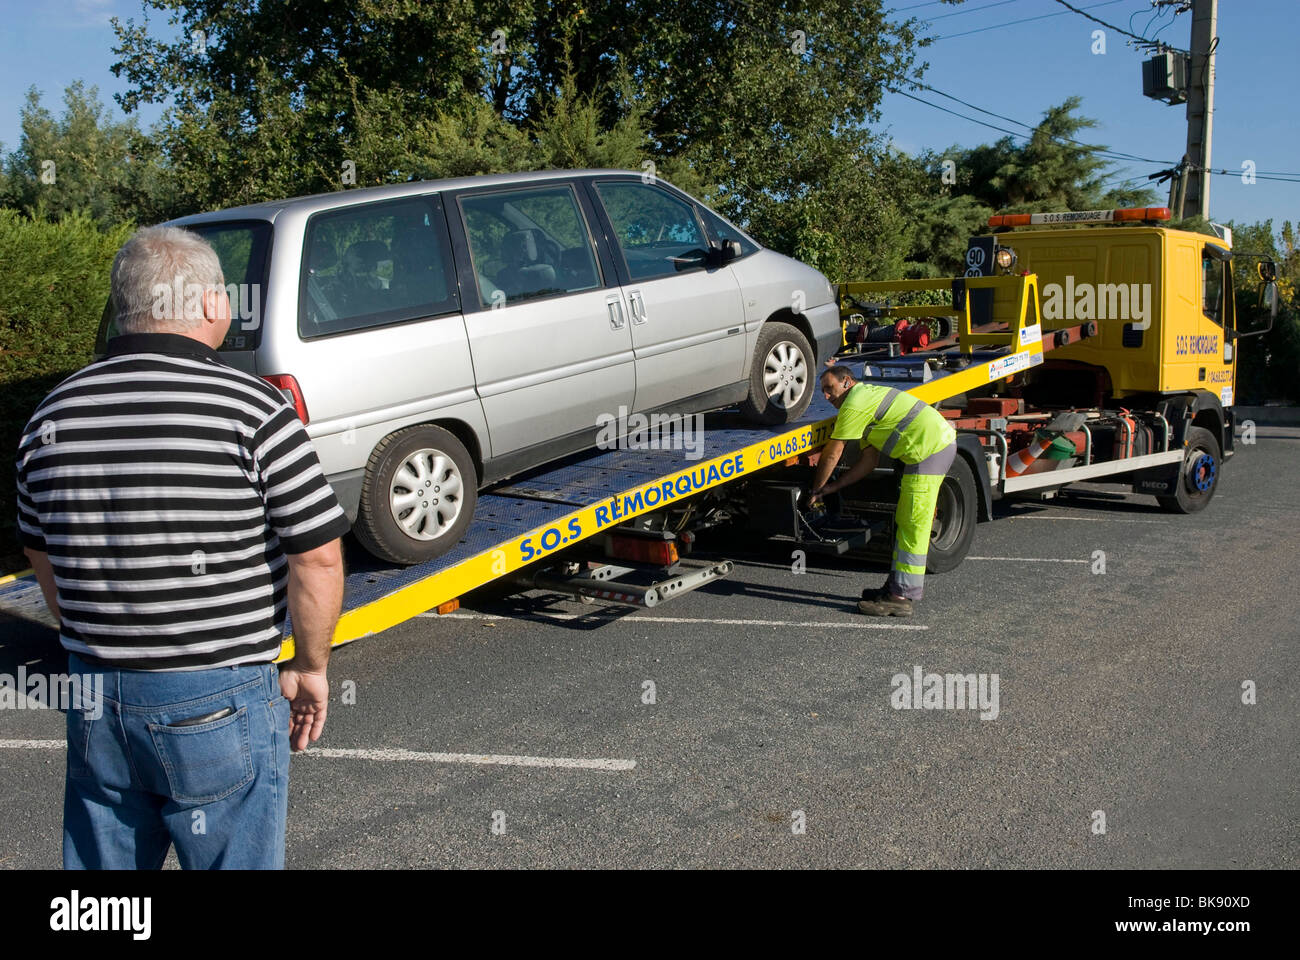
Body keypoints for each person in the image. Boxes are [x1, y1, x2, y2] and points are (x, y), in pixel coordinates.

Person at [13, 225, 350, 869]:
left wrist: (95, 637)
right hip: (216, 696)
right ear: (205, 305)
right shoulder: (254, 410)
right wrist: (310, 668)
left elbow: (43, 555)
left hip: (94, 693)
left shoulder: (51, 416)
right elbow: (318, 555)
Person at [808, 365, 957, 617]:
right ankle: (895, 587)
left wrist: (817, 488)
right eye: (822, 390)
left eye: (829, 388)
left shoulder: (854, 404)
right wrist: (832, 488)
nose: (826, 396)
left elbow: (833, 452)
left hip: (929, 450)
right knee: (904, 521)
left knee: (913, 524)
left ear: (847, 382)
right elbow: (869, 462)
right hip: (927, 449)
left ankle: (900, 599)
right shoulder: (864, 402)